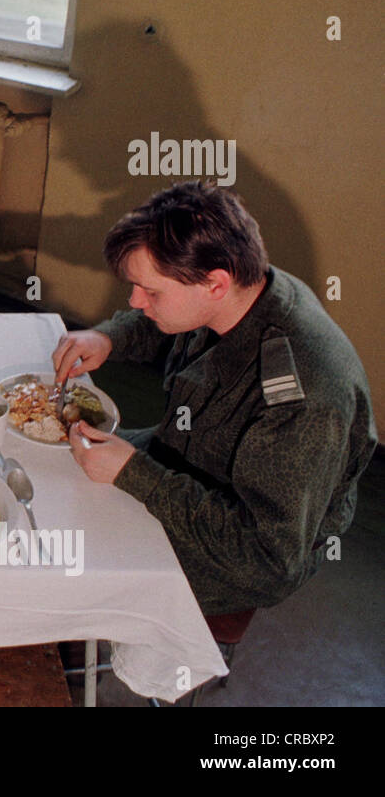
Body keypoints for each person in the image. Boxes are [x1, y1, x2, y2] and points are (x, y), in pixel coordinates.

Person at [54, 181, 376, 616]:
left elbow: (266, 561)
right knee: (54, 471)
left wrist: (137, 475)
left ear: (216, 284)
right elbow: (180, 316)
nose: (135, 301)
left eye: (150, 292)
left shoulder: (303, 396)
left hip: (243, 552)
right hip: (191, 458)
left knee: (62, 555)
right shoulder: (241, 285)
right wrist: (109, 337)